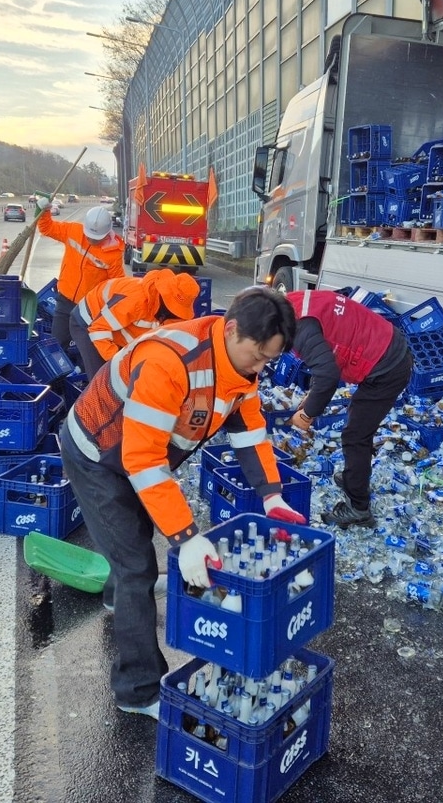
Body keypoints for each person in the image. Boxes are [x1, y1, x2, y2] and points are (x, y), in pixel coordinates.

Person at [58, 286, 303, 718]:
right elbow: (142, 460)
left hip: (136, 454)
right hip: (97, 453)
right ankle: (137, 691)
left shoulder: (240, 370)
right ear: (232, 330)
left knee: (133, 538)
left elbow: (249, 430)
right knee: (136, 565)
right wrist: (186, 537)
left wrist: (272, 495)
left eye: (269, 360)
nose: (260, 368)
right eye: (258, 356)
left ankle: (118, 597)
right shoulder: (169, 362)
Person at [283, 289, 413, 528]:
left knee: (355, 435)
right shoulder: (295, 304)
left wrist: (307, 414)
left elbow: (328, 375)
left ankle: (358, 509)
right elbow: (325, 352)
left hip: (387, 365)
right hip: (383, 345)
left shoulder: (299, 328)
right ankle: (355, 477)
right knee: (358, 423)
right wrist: (313, 393)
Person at [68, 269, 200, 378]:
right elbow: (98, 329)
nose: (175, 313)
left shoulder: (168, 313)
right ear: (164, 296)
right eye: (173, 307)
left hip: (112, 330)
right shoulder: (136, 300)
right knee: (102, 379)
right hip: (86, 322)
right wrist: (117, 363)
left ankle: (83, 367)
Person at [35, 199, 123, 351]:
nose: (91, 240)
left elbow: (117, 284)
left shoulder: (113, 253)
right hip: (65, 300)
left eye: (96, 238)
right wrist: (44, 212)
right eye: (89, 236)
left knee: (86, 350)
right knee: (57, 344)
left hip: (89, 308)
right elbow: (47, 228)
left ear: (107, 233)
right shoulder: (73, 231)